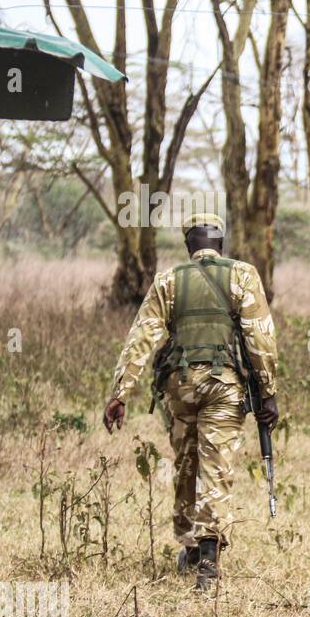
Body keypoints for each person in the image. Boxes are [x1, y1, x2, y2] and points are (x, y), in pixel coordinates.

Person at [102, 213, 279, 590]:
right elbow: (260, 337)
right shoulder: (242, 275)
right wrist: (268, 391)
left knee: (186, 464)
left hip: (179, 388)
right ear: (220, 244)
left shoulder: (168, 280)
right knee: (216, 468)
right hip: (224, 386)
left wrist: (121, 393)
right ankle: (209, 560)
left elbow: (141, 339)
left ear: (188, 246)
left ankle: (191, 547)